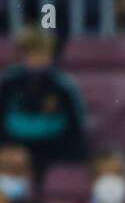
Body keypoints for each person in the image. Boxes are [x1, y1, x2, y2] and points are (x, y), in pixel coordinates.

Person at [0, 25, 87, 180]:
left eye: (42, 53)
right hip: (15, 145)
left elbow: (76, 124)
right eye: (31, 53)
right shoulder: (8, 82)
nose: (37, 58)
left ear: (52, 54)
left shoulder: (64, 85)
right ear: (22, 54)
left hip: (54, 146)